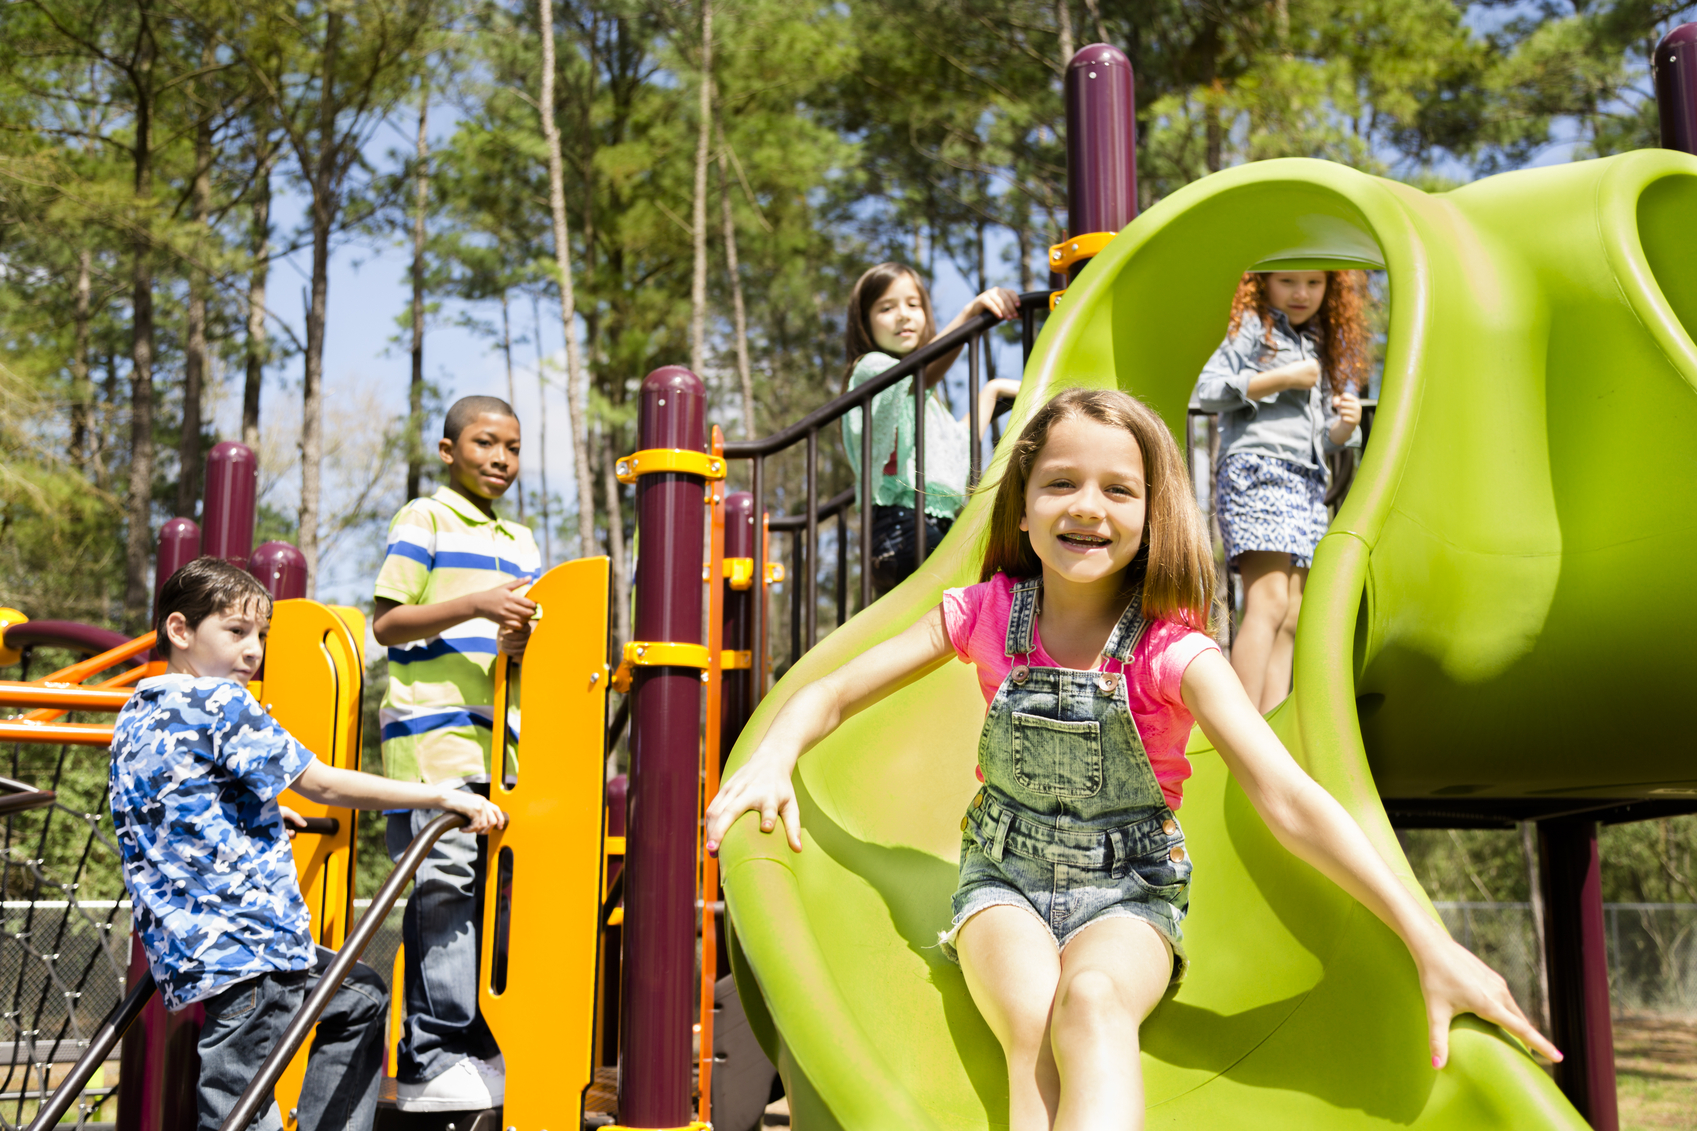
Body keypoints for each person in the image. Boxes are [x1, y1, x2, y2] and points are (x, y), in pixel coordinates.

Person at [705, 388, 1557, 1131]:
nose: (1088, 506)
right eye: (1061, 484)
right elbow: (831, 691)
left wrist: (1426, 940)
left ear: (1154, 514)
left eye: (1119, 489)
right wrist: (777, 752)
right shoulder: (983, 611)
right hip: (1003, 877)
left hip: (1132, 892)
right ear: (1024, 503)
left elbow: (1289, 799)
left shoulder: (1172, 654)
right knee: (1033, 1020)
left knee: (1094, 1002)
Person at [110, 557, 507, 1131]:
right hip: (252, 944)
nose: (253, 651)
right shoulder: (221, 702)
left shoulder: (138, 713)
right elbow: (320, 780)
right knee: (239, 1106)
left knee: (360, 997)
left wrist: (262, 811)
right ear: (180, 630)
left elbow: (171, 801)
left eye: (261, 636)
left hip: (192, 946)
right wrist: (440, 796)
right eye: (236, 631)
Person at [370, 395, 540, 1112]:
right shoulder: (425, 517)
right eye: (483, 443)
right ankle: (432, 1051)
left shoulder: (523, 541)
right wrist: (475, 605)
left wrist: (517, 639)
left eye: (511, 447)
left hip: (499, 740)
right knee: (445, 886)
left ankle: (465, 1042)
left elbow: (518, 643)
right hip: (431, 735)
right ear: (449, 451)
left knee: (487, 898)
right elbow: (388, 622)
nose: (499, 459)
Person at [1195, 270, 1367, 712]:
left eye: (1314, 283)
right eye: (1287, 281)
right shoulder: (1253, 328)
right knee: (1268, 601)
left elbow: (1324, 439)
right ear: (1263, 283)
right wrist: (1282, 378)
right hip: (1259, 467)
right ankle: (1239, 727)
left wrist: (1345, 424)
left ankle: (1269, 727)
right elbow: (1209, 390)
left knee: (1292, 612)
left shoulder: (1319, 345)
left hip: (1306, 480)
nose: (1301, 293)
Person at [841, 262, 1023, 595]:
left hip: (927, 526)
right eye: (886, 307)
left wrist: (992, 391)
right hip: (901, 528)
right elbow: (921, 372)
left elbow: (958, 442)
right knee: (989, 591)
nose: (903, 315)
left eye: (913, 304)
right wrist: (969, 315)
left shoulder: (923, 401)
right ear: (865, 322)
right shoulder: (873, 371)